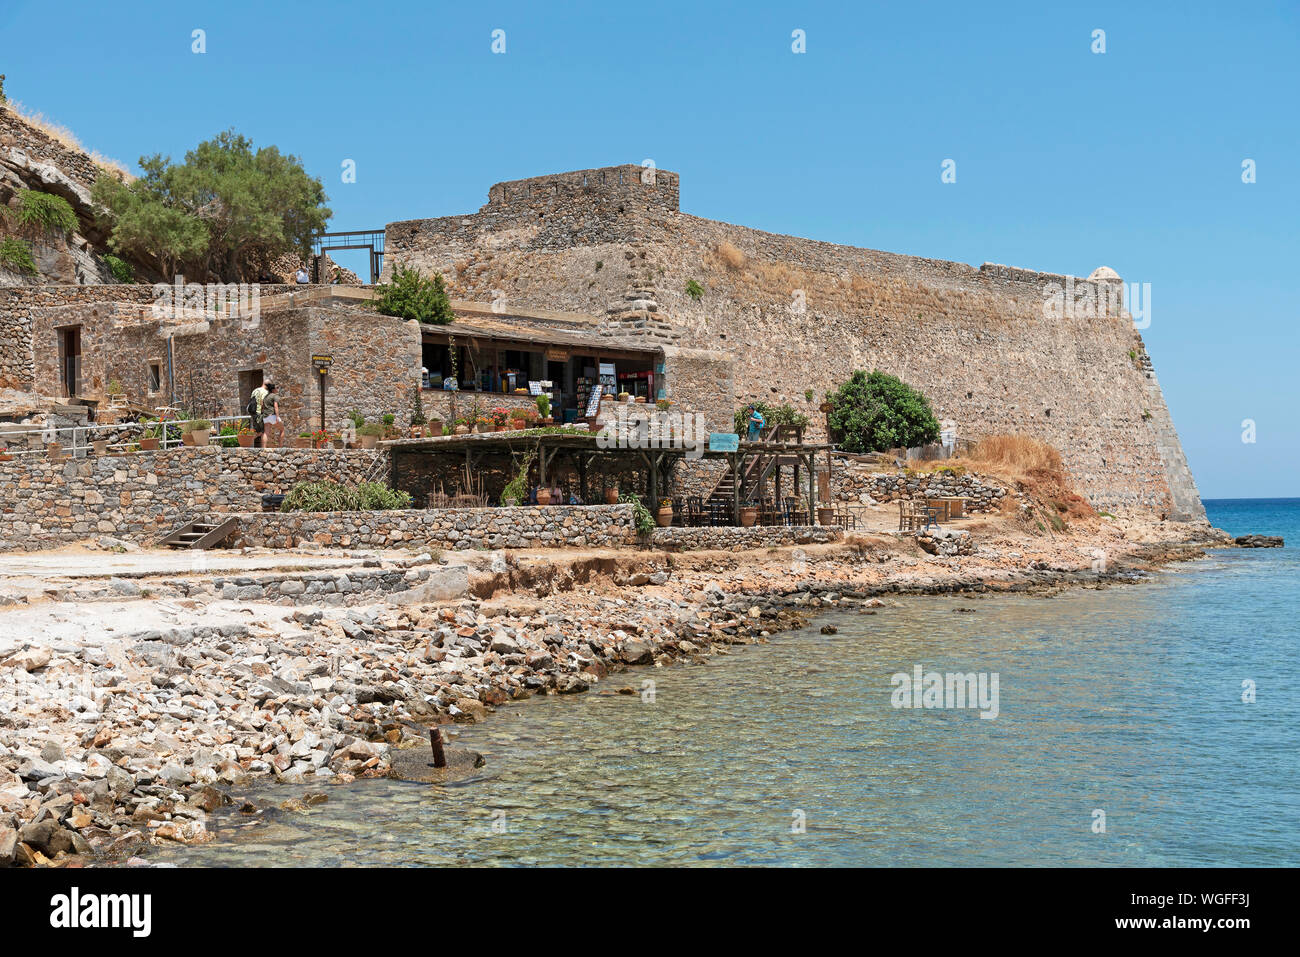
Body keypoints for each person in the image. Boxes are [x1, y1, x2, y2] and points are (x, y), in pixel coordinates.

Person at [261, 383, 283, 447]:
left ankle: (264, 448)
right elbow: (276, 407)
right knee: (282, 430)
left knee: (266, 433)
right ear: (273, 390)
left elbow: (262, 406)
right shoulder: (275, 396)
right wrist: (277, 417)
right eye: (277, 388)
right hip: (272, 415)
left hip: (265, 416)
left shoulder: (265, 396)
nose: (277, 389)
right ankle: (280, 447)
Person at [249, 382, 269, 448]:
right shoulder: (264, 392)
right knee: (263, 431)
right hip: (259, 413)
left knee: (258, 431)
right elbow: (262, 402)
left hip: (254, 413)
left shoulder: (255, 390)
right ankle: (263, 448)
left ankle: (248, 442)